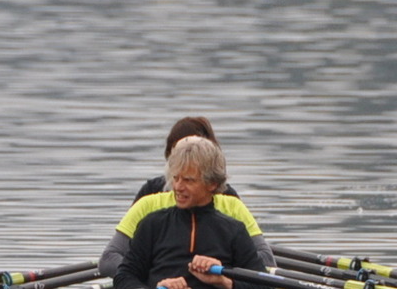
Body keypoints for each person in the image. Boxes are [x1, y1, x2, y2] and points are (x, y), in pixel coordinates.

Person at [114, 136, 274, 289]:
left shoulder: (233, 230)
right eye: (175, 178)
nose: (178, 187)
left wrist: (223, 281)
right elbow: (123, 278)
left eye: (188, 180)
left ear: (212, 184)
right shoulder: (152, 225)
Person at [99, 116, 274, 277]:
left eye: (189, 179)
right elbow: (108, 260)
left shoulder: (232, 205)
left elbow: (265, 261)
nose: (179, 186)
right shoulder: (147, 205)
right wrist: (160, 272)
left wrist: (218, 270)